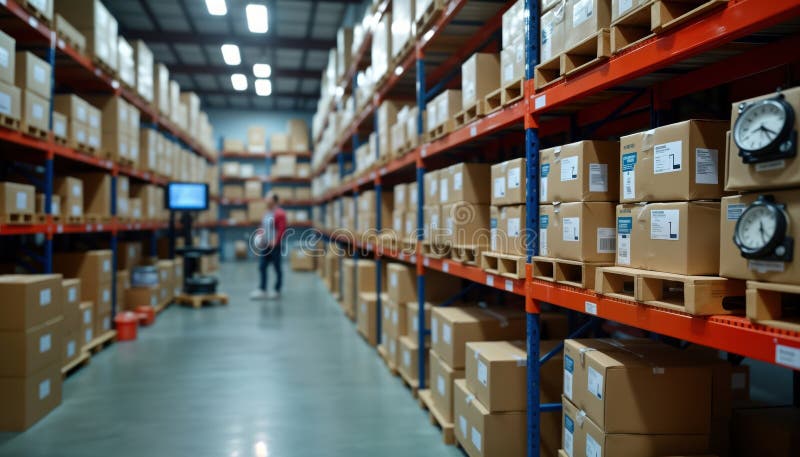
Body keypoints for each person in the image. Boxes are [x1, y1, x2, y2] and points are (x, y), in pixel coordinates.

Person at [250, 192, 287, 300]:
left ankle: (277, 290)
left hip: (275, 246)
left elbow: (281, 229)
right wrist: (259, 236)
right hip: (265, 245)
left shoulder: (280, 213)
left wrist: (275, 241)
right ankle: (262, 289)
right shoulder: (266, 213)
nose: (266, 200)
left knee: (277, 268)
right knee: (262, 267)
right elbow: (263, 227)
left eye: (268, 198)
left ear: (274, 201)